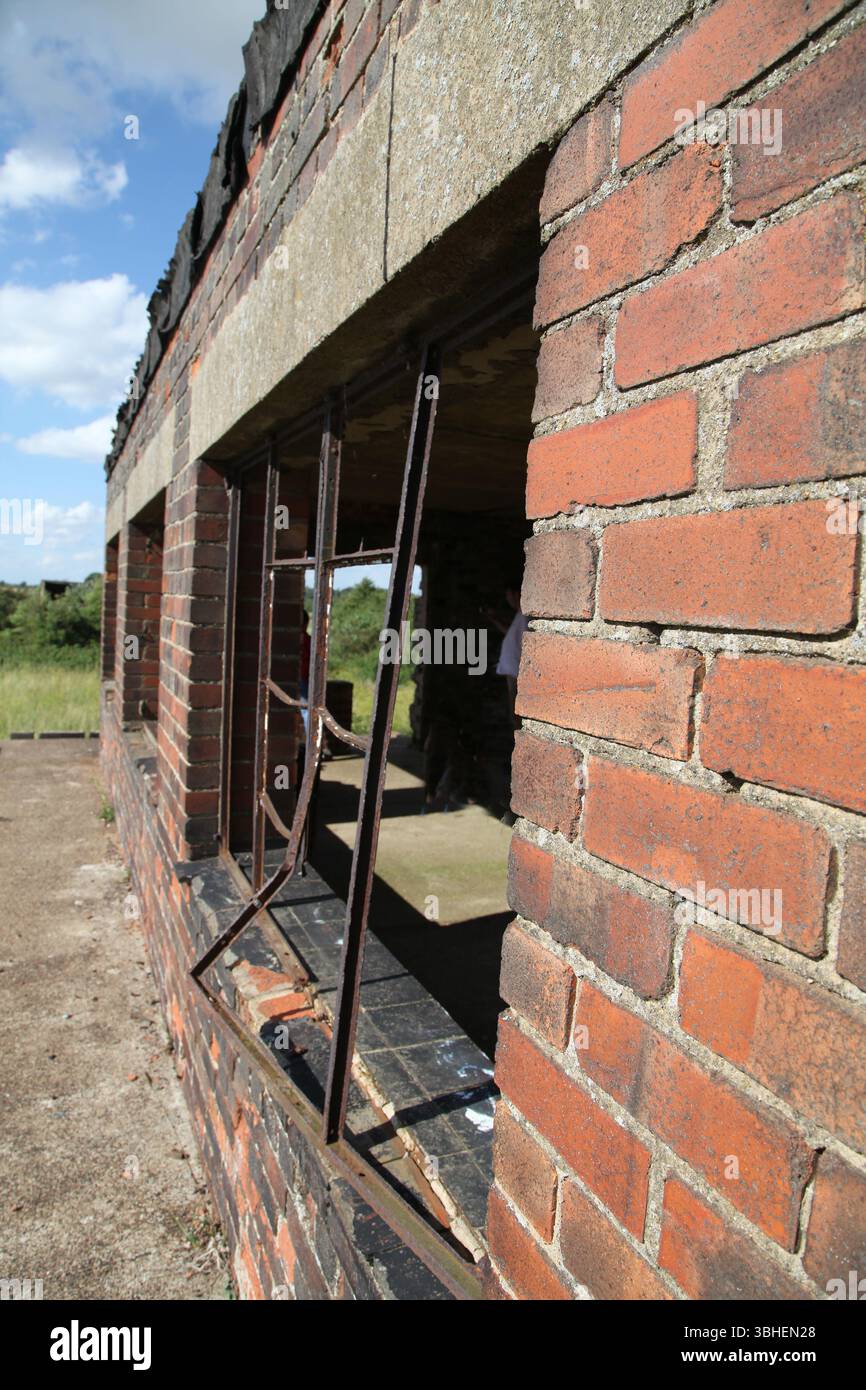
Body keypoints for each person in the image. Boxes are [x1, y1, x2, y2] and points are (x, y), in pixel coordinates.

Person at [488, 576, 528, 729]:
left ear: (516, 594)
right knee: (514, 712)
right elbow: (511, 635)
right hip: (512, 672)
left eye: (509, 596)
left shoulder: (524, 614)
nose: (508, 600)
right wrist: (494, 620)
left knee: (516, 714)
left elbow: (525, 640)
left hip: (517, 673)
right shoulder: (520, 614)